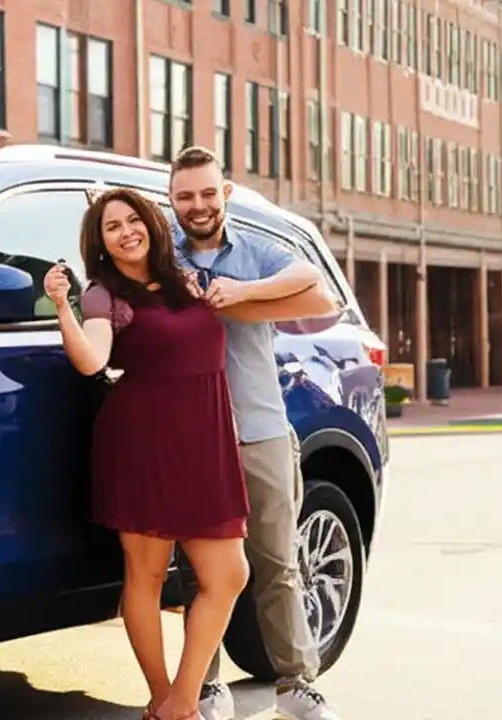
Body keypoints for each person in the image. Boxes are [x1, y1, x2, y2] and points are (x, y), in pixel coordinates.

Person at [43, 187, 324, 720]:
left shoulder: (187, 279)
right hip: (143, 441)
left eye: (133, 220)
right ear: (98, 242)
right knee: (146, 577)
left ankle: (181, 701)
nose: (126, 232)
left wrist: (242, 289)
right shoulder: (104, 294)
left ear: (151, 223)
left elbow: (312, 294)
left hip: (207, 439)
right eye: (111, 226)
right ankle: (163, 698)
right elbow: (91, 361)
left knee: (230, 576)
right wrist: (63, 307)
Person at [164, 146, 342, 720]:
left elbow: (314, 284)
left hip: (261, 428)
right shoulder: (164, 251)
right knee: (202, 572)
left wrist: (239, 294)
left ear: (226, 192)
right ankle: (207, 685)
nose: (198, 205)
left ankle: (296, 685)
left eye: (208, 193)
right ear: (172, 199)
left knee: (279, 564)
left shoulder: (258, 250)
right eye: (186, 195)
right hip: (193, 438)